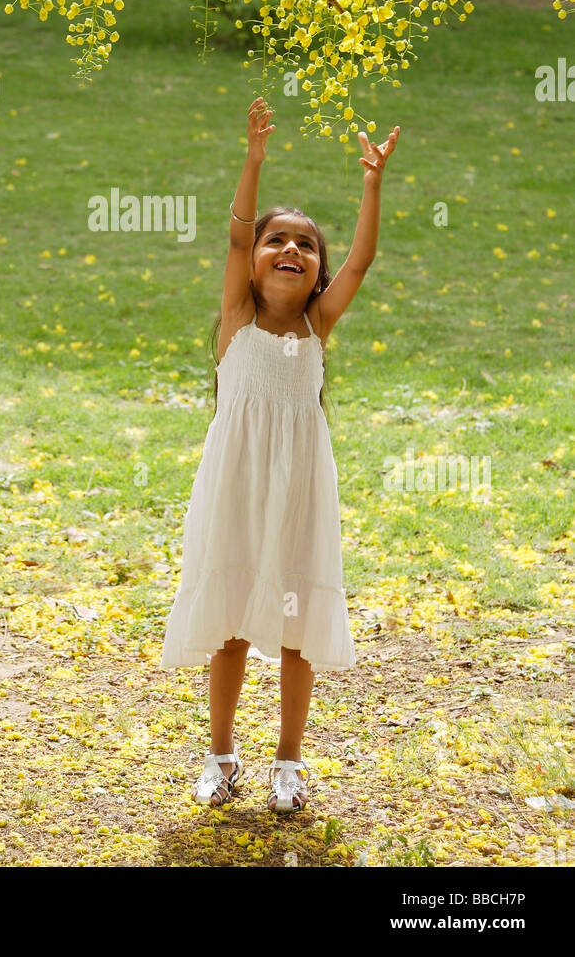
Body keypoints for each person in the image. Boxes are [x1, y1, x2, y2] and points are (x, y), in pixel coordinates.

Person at [159, 96, 400, 812]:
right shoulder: (239, 319)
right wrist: (253, 159)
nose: (291, 249)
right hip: (236, 485)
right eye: (277, 241)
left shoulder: (318, 326)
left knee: (295, 630)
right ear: (256, 264)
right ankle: (220, 755)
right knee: (231, 620)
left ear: (317, 269)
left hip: (298, 490)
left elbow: (365, 258)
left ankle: (288, 763)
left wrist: (372, 186)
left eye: (306, 244)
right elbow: (235, 239)